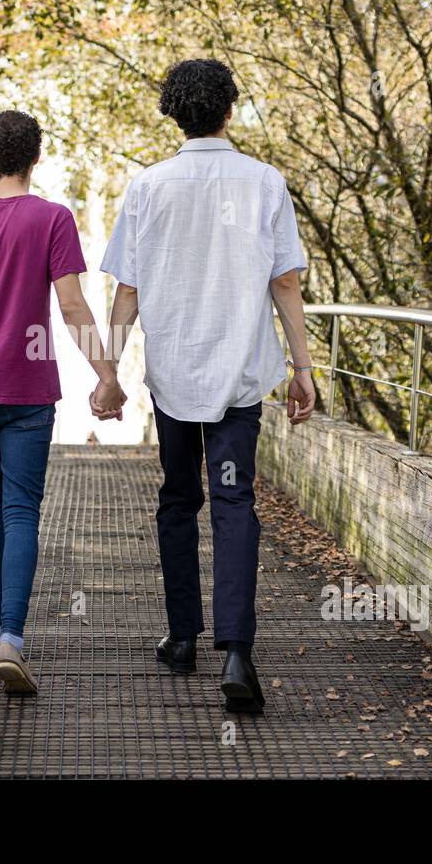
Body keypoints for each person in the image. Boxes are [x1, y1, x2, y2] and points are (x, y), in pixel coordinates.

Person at [96, 59, 316, 714]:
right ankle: (239, 652)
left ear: (173, 112)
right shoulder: (264, 182)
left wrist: (109, 371)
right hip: (240, 377)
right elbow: (285, 283)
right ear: (229, 110)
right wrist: (303, 368)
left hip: (173, 374)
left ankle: (182, 638)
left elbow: (127, 291)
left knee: (177, 499)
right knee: (233, 502)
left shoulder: (148, 186)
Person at [0, 110, 126, 696]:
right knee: (21, 510)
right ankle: (12, 637)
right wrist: (106, 376)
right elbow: (71, 306)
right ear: (35, 157)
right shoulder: (52, 218)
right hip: (29, 389)